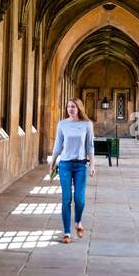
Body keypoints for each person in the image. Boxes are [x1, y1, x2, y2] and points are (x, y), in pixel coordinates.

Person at [50, 98, 95, 243]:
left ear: (79, 108)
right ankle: (67, 233)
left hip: (81, 165)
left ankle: (78, 222)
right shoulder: (62, 124)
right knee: (66, 198)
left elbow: (90, 146)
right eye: (68, 106)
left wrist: (92, 165)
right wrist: (53, 161)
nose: (70, 109)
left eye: (73, 107)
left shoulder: (87, 124)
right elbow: (58, 144)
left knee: (80, 200)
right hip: (65, 165)